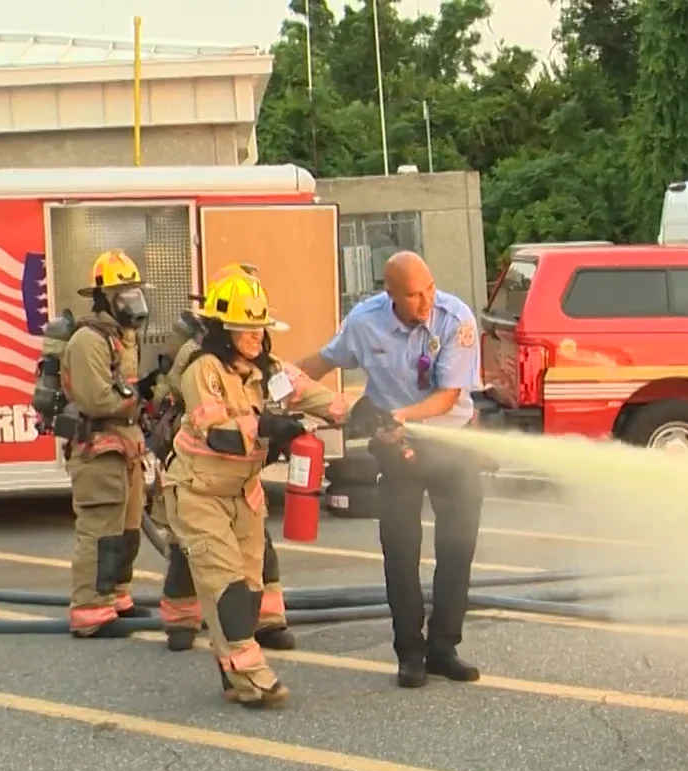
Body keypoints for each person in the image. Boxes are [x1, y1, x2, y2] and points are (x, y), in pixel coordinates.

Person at [162, 271, 364, 708]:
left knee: (251, 590)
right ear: (222, 330)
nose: (256, 337)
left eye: (259, 328)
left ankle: (231, 670)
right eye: (245, 329)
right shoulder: (204, 371)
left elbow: (316, 397)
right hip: (199, 493)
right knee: (228, 586)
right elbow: (216, 431)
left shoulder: (265, 370)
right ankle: (253, 678)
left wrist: (366, 412)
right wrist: (269, 426)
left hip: (243, 493)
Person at [295, 250, 485, 689]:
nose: (426, 302)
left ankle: (444, 647)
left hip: (450, 443)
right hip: (394, 448)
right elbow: (323, 363)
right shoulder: (365, 321)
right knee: (401, 550)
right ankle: (409, 654)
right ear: (390, 293)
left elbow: (447, 396)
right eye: (415, 295)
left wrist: (402, 416)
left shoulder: (455, 319)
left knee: (458, 548)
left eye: (430, 289)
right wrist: (278, 379)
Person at [148, 263, 299, 654]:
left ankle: (265, 619)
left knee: (256, 543)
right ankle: (181, 619)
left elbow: (279, 386)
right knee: (188, 547)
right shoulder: (196, 356)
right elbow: (186, 404)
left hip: (238, 465)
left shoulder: (252, 353)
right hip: (196, 460)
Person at [61, 249, 151, 638]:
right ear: (103, 298)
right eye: (123, 294)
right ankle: (89, 611)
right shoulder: (87, 341)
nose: (132, 301)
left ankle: (116, 596)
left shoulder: (122, 338)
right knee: (100, 530)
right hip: (97, 446)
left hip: (124, 445)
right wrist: (136, 397)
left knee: (127, 528)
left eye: (135, 293)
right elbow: (97, 399)